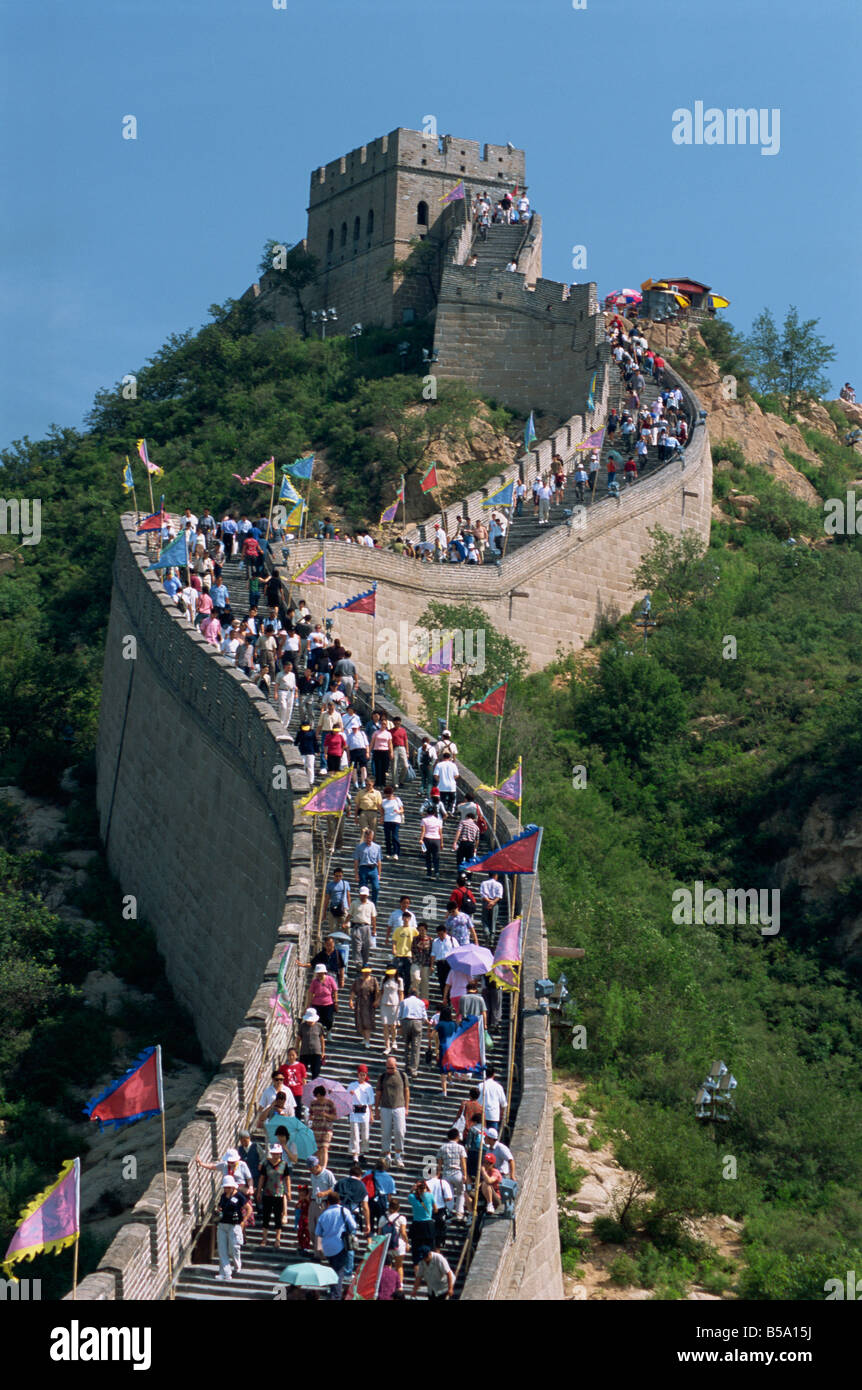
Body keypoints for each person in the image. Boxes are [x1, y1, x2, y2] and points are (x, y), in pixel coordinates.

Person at [315, 1191, 357, 1299]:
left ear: (328, 1202)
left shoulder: (324, 1214)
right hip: (340, 1245)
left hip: (327, 1247)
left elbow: (318, 1232)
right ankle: (335, 1296)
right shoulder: (344, 1211)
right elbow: (353, 1226)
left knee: (333, 1270)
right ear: (339, 1201)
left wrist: (319, 1248)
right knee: (339, 1272)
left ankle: (333, 1291)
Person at [375, 1054, 409, 1167]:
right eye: (388, 1068)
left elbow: (406, 1091)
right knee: (386, 1132)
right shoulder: (383, 1076)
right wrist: (376, 1109)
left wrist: (407, 1107)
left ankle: (398, 1155)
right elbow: (378, 1093)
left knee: (400, 1131)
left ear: (396, 1066)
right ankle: (387, 1155)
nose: (390, 1070)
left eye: (392, 1068)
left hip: (399, 1106)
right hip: (385, 1107)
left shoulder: (402, 1075)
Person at [215, 1174, 251, 1281]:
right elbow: (220, 1206)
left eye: (228, 1187)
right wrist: (219, 1210)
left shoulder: (239, 1196)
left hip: (234, 1225)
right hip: (222, 1225)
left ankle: (237, 1263)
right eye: (225, 1187)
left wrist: (244, 1221)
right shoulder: (223, 1196)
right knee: (222, 1249)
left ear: (233, 1187)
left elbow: (248, 1209)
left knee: (233, 1248)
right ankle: (225, 1272)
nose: (226, 1189)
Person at [257, 1144, 292, 1249]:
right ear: (271, 1153)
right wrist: (259, 1191)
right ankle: (264, 1238)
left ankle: (277, 1239)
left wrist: (289, 1191)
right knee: (266, 1217)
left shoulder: (284, 1164)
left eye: (278, 1153)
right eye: (274, 1153)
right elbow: (262, 1178)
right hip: (267, 1193)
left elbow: (287, 1179)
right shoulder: (266, 1164)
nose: (276, 1155)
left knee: (278, 1217)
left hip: (279, 1193)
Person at [386, 895, 418, 993]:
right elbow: (390, 926)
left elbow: (416, 933)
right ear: (400, 903)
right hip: (398, 945)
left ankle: (406, 991)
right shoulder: (395, 914)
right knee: (398, 972)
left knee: (408, 974)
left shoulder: (412, 915)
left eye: (407, 903)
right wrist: (387, 938)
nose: (405, 904)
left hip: (408, 950)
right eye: (404, 902)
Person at [437, 1127, 468, 1220]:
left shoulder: (442, 1147)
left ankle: (448, 1211)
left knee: (448, 1194)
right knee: (461, 1193)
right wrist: (465, 1174)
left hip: (446, 1174)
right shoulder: (460, 1147)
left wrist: (439, 1173)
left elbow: (439, 1163)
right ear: (457, 1137)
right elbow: (463, 1162)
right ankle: (459, 1213)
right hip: (457, 1173)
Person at [346, 1063, 376, 1159]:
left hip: (364, 1112)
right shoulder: (352, 1085)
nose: (362, 1076)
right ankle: (355, 1154)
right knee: (354, 1133)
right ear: (357, 1074)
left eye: (364, 1075)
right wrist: (350, 1095)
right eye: (360, 1074)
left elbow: (370, 1102)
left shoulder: (368, 1087)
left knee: (365, 1133)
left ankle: (363, 1151)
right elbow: (346, 1098)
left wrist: (371, 1114)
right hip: (354, 1111)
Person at [398, 987, 428, 1080]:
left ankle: (407, 1067)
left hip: (406, 1022)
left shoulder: (404, 1002)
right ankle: (414, 1069)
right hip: (417, 1023)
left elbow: (400, 1016)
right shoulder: (421, 1003)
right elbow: (424, 1017)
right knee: (416, 1047)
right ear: (417, 994)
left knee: (407, 1045)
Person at [378, 1198, 409, 1288]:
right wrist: (407, 1243)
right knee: (399, 1266)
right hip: (398, 1244)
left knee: (388, 1266)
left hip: (387, 1244)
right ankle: (400, 1286)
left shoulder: (383, 1217)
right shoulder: (401, 1218)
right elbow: (403, 1233)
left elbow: (379, 1233)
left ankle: (388, 1284)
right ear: (398, 1208)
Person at [336, 1163, 372, 1237]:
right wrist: (367, 1223)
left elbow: (332, 1196)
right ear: (360, 1175)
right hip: (352, 1213)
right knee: (350, 1239)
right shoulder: (362, 1186)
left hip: (338, 1213)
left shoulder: (340, 1182)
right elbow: (365, 1207)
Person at [308, 1155, 337, 1244]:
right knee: (311, 1229)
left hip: (324, 1203)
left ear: (317, 1166)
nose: (311, 1171)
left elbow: (334, 1187)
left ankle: (320, 1253)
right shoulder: (312, 1175)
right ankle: (316, 1248)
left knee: (320, 1229)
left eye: (312, 1169)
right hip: (313, 1202)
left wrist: (324, 1193)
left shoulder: (328, 1174)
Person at [349, 966, 380, 1050]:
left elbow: (377, 991)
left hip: (369, 1003)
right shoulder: (358, 980)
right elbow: (353, 991)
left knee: (368, 1022)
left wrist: (377, 1001)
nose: (367, 973)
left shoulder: (373, 980)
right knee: (359, 1021)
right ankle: (364, 1037)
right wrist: (351, 1000)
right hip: (359, 1002)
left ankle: (367, 1040)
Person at [308, 1084, 338, 1169]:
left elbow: (334, 1116)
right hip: (316, 1129)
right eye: (317, 1097)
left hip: (326, 1129)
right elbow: (310, 1114)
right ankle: (318, 1166)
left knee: (324, 1147)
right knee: (317, 1149)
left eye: (320, 1097)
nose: (318, 1099)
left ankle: (324, 1167)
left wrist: (326, 1115)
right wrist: (311, 1117)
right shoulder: (313, 1103)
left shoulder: (330, 1104)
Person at [408, 1180, 437, 1264]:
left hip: (417, 1225)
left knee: (416, 1250)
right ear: (425, 1188)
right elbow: (436, 1209)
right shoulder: (430, 1196)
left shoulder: (412, 1197)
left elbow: (409, 1194)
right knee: (430, 1247)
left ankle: (417, 1269)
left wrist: (412, 1189)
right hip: (428, 1224)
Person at [434, 1006, 459, 1098]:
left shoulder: (440, 1024)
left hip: (443, 1047)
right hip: (452, 1048)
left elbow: (432, 1034)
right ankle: (451, 1079)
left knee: (443, 1070)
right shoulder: (454, 1024)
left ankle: (444, 1090)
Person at [349, 884, 376, 968]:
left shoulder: (371, 904)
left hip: (366, 927)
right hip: (356, 926)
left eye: (364, 895)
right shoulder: (355, 903)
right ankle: (358, 963)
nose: (363, 896)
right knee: (357, 946)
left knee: (366, 946)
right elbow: (350, 914)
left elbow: (373, 917)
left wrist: (374, 929)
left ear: (367, 895)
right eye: (362, 895)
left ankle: (365, 963)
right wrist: (345, 922)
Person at [378, 967, 404, 1057]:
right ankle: (387, 1046)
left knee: (393, 1025)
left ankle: (394, 1040)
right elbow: (381, 991)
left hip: (394, 1004)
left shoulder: (399, 980)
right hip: (384, 1003)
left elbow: (401, 993)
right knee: (385, 1025)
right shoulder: (383, 979)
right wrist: (377, 1000)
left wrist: (401, 1004)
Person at [354, 826, 382, 905]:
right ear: (365, 837)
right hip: (363, 868)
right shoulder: (359, 847)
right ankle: (363, 903)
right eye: (367, 838)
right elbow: (356, 860)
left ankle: (373, 904)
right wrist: (356, 873)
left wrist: (379, 874)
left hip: (373, 869)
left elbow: (379, 861)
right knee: (363, 888)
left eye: (370, 837)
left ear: (372, 837)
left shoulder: (377, 847)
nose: (368, 839)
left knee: (376, 887)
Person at [307, 963, 338, 1034]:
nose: (319, 974)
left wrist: (336, 1001)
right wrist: (309, 1004)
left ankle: (329, 1031)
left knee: (329, 1019)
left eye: (321, 973)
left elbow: (335, 989)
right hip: (316, 1003)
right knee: (318, 1020)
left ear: (324, 972)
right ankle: (319, 1033)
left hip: (328, 1003)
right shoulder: (314, 981)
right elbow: (311, 992)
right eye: (318, 973)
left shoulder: (330, 979)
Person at [477, 1064, 508, 1135]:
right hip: (493, 1115)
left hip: (481, 1115)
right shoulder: (498, 1087)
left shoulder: (480, 1086)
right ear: (494, 1074)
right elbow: (503, 1104)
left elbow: (477, 1100)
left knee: (481, 1136)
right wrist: (501, 1114)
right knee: (492, 1137)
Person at [279, 1047, 307, 1119]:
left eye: (293, 1055)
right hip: (287, 1092)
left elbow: (304, 1079)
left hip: (297, 1091)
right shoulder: (283, 1067)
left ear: (296, 1056)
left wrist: (305, 1090)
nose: (291, 1057)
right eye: (289, 1055)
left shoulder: (301, 1066)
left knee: (298, 1109)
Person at [299, 1007, 326, 1079]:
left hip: (316, 1052)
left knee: (315, 1072)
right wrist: (296, 1051)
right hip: (304, 1051)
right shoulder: (302, 1026)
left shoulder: (319, 1026)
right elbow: (299, 1039)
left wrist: (323, 1052)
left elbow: (322, 1040)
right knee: (302, 1072)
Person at [324, 866, 350, 936]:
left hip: (344, 908)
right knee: (333, 929)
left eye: (340, 876)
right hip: (333, 908)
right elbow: (327, 898)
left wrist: (349, 909)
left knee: (346, 928)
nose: (338, 877)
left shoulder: (346, 884)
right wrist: (324, 912)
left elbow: (348, 896)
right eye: (337, 876)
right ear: (334, 876)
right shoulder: (330, 885)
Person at [432, 925, 457, 997]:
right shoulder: (435, 941)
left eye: (442, 934)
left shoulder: (452, 940)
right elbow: (433, 953)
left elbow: (457, 951)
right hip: (440, 963)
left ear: (445, 932)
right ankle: (445, 999)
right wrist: (432, 965)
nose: (440, 936)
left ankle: (450, 999)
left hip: (449, 963)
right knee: (442, 982)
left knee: (449, 982)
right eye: (438, 934)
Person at [381, 785, 405, 860]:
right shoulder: (384, 801)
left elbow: (402, 810)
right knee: (387, 837)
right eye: (386, 795)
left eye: (389, 794)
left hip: (395, 820)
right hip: (387, 820)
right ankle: (388, 852)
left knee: (395, 837)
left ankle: (396, 852)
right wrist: (381, 818)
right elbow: (382, 811)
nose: (388, 796)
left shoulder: (397, 799)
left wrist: (398, 811)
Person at [479, 873, 504, 946]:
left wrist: (488, 902)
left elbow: (483, 894)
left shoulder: (484, 883)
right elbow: (499, 896)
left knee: (485, 920)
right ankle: (492, 938)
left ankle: (486, 934)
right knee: (493, 920)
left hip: (486, 903)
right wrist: (493, 902)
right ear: (495, 875)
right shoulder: (499, 885)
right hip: (495, 904)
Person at [411, 921, 433, 999]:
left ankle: (424, 1001)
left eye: (423, 930)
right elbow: (412, 950)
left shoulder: (430, 940)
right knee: (415, 978)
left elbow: (432, 953)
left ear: (426, 930)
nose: (421, 932)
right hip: (416, 962)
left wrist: (431, 965)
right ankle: (414, 996)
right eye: (419, 930)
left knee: (425, 983)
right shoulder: (415, 939)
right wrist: (414, 959)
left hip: (426, 963)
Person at [420, 805, 443, 878]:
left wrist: (421, 839)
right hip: (436, 839)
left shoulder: (424, 820)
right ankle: (436, 871)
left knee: (428, 856)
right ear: (434, 813)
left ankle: (429, 873)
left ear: (427, 812)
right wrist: (442, 843)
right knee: (436, 856)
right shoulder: (439, 821)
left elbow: (423, 831)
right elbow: (440, 833)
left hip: (427, 838)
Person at [369, 718, 393, 788]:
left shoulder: (388, 733)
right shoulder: (376, 732)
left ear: (386, 725)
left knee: (384, 768)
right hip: (377, 751)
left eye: (385, 724)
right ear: (380, 724)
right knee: (378, 767)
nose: (383, 725)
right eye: (382, 724)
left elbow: (390, 743)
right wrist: (369, 751)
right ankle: (378, 782)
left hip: (385, 751)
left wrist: (391, 752)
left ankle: (383, 782)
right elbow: (372, 742)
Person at [390, 716, 410, 787]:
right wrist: (391, 751)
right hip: (394, 748)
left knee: (406, 765)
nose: (397, 724)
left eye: (398, 723)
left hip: (402, 748)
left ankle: (401, 780)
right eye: (395, 723)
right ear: (393, 723)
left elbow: (406, 741)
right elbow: (389, 742)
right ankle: (395, 783)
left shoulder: (403, 730)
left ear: (400, 723)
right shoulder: (391, 731)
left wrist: (407, 751)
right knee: (394, 766)